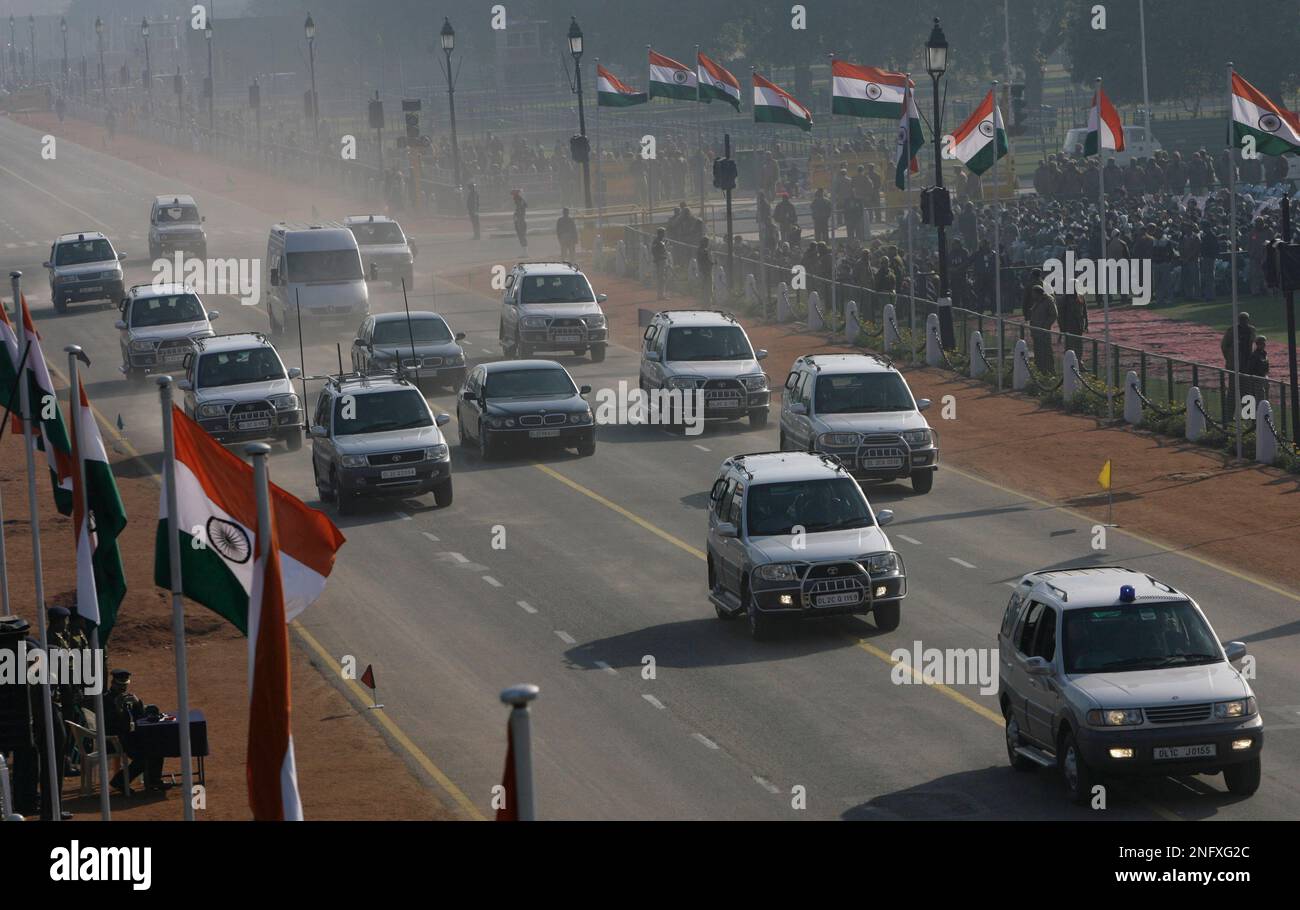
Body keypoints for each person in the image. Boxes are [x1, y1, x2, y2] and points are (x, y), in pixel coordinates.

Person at [106, 669, 166, 794]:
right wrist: (118, 709)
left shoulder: (127, 698)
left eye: (125, 685)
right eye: (120, 685)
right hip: (115, 738)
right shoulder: (106, 700)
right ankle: (119, 782)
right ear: (113, 683)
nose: (123, 688)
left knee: (158, 746)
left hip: (130, 736)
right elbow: (111, 725)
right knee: (144, 755)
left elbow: (140, 718)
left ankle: (153, 780)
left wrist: (138, 703)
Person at [1029, 285, 1058, 374]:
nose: (1032, 295)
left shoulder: (1048, 300)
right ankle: (1041, 371)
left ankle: (1051, 371)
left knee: (1046, 352)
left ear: (1038, 293)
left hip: (1043, 331)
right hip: (1036, 331)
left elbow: (1054, 314)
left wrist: (1045, 326)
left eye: (1033, 293)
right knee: (1038, 352)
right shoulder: (1036, 302)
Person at [1056, 290, 1088, 360]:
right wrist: (1062, 327)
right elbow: (1060, 314)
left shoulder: (1080, 296)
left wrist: (1086, 324)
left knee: (1079, 345)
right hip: (1069, 326)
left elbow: (1084, 310)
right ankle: (1069, 363)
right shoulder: (1065, 298)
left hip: (1079, 325)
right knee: (1069, 346)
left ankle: (1079, 362)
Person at [1246, 336, 1270, 402]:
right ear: (1258, 344)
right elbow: (1250, 369)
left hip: (1263, 377)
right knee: (1260, 398)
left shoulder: (1264, 354)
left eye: (1264, 343)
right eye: (1262, 343)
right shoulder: (1254, 355)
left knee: (1265, 397)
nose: (1264, 345)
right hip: (1257, 379)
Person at [652, 228, 669, 300]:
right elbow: (653, 251)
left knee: (663, 278)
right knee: (661, 278)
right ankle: (660, 295)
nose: (664, 234)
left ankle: (662, 294)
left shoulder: (662, 241)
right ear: (660, 233)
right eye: (663, 233)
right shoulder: (656, 241)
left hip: (663, 260)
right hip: (660, 261)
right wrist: (658, 258)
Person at [696, 238, 713, 304]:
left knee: (705, 286)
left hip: (704, 270)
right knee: (707, 286)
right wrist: (712, 263)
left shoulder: (701, 250)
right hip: (705, 270)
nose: (707, 244)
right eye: (706, 242)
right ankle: (707, 301)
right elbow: (707, 260)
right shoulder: (703, 250)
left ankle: (706, 301)